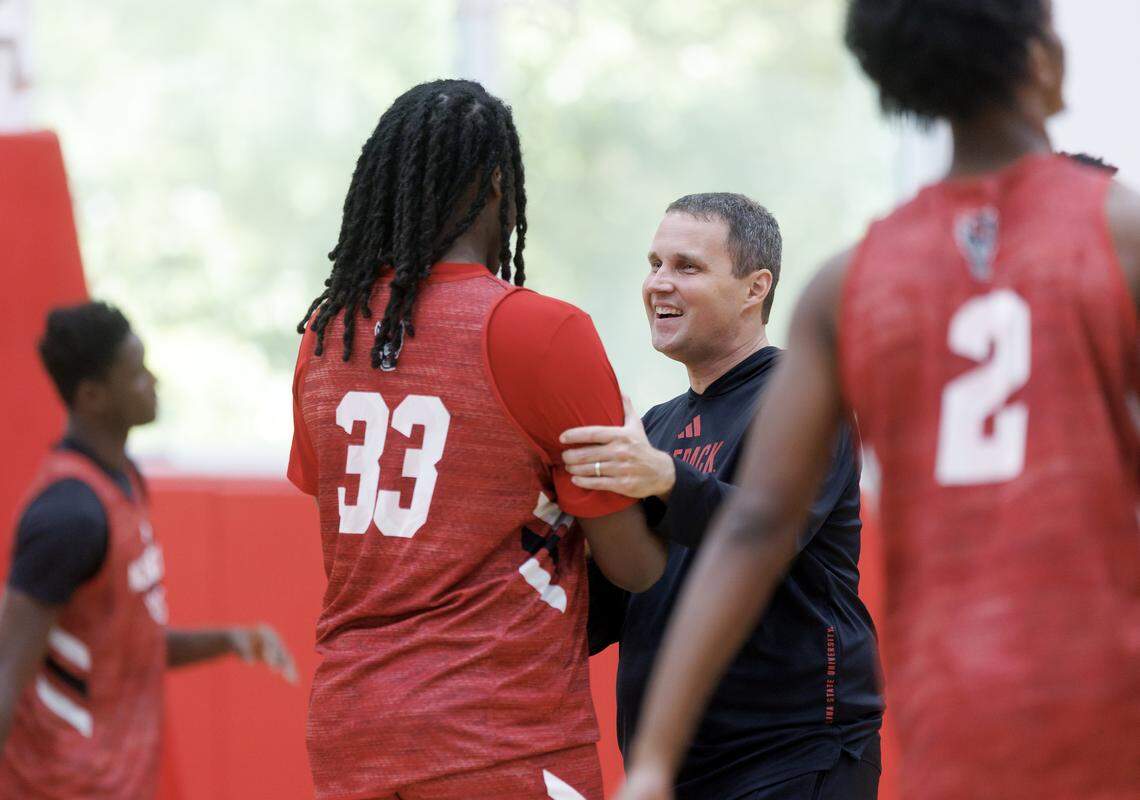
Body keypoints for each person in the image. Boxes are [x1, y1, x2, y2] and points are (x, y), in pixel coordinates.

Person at [617, 2, 1140, 799]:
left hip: (948, 712)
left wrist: (651, 760)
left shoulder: (848, 283)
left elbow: (755, 525)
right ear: (1045, 62)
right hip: (1106, 697)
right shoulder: (1118, 232)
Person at [288, 79, 665, 800]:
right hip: (497, 732)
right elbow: (633, 567)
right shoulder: (543, 331)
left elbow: (356, 546)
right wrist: (670, 488)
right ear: (499, 183)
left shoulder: (322, 337)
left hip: (350, 727)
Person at [562, 193, 882, 800]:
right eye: (653, 263)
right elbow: (616, 598)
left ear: (754, 287)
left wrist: (662, 479)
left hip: (792, 757)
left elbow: (764, 534)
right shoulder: (656, 426)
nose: (658, 283)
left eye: (687, 267)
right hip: (676, 769)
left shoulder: (804, 398)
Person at [0, 301, 297, 800]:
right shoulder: (69, 515)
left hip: (117, 783)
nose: (153, 380)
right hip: (58, 786)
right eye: (136, 373)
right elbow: (6, 675)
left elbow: (124, 648)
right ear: (93, 395)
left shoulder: (125, 483)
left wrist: (228, 640)